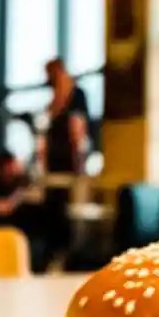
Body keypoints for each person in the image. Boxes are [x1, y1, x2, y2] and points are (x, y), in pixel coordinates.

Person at [38, 58, 89, 268]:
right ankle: (57, 259)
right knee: (56, 216)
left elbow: (77, 132)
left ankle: (63, 260)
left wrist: (80, 167)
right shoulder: (56, 101)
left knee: (64, 217)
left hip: (68, 170)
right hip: (56, 170)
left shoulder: (74, 96)